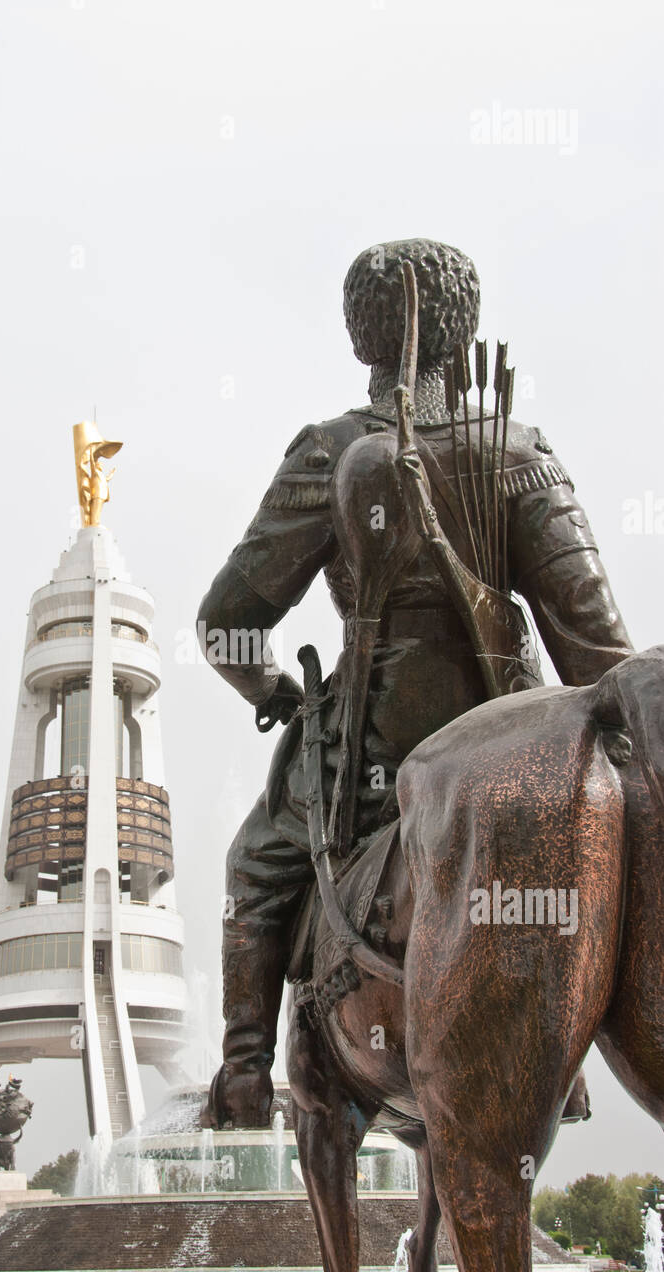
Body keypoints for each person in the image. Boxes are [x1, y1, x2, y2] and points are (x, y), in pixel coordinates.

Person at [199, 238, 632, 1128]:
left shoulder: (330, 452)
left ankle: (244, 1072)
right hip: (519, 755)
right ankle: (575, 1048)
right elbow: (600, 656)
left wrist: (275, 690)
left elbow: (225, 623)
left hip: (371, 762)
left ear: (362, 340)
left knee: (256, 869)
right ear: (464, 332)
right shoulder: (523, 452)